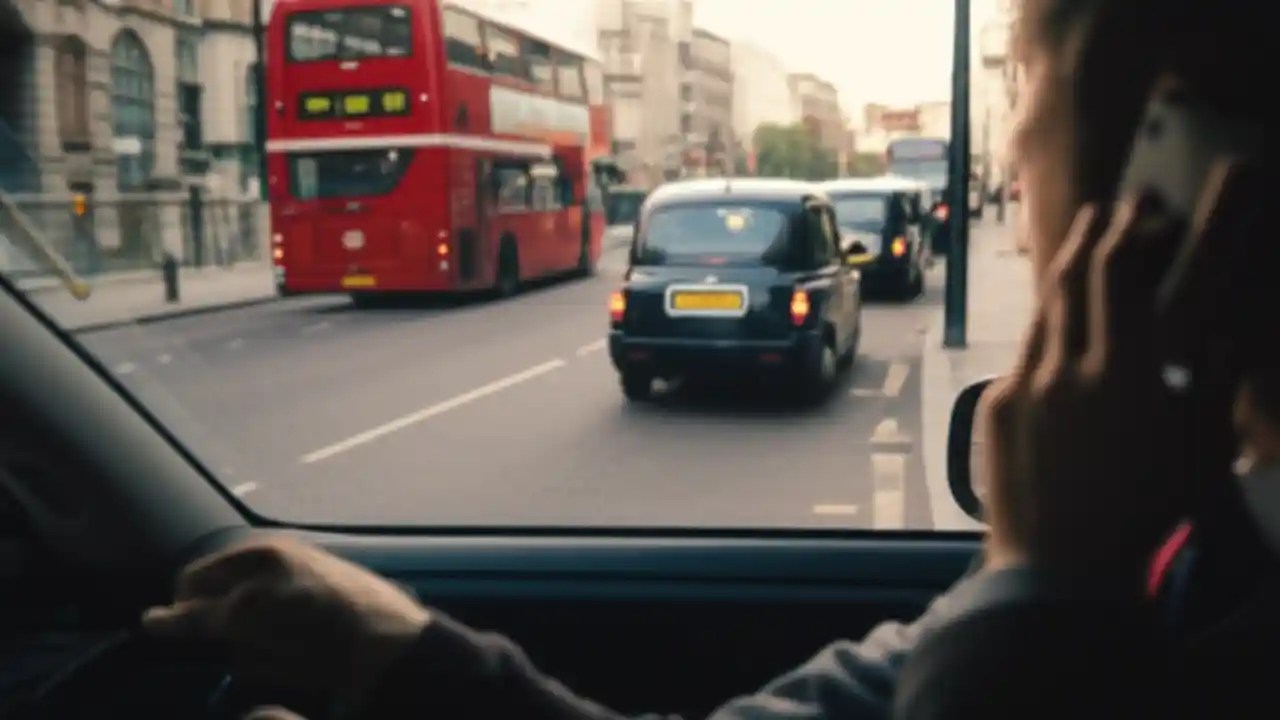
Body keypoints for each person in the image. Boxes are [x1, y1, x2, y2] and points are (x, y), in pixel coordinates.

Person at [143, 1, 1278, 718]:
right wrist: (400, 655)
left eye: (1024, 86)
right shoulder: (1188, 538)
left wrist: (1042, 584)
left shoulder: (1156, 587)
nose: (1012, 181)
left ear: (1173, 165)